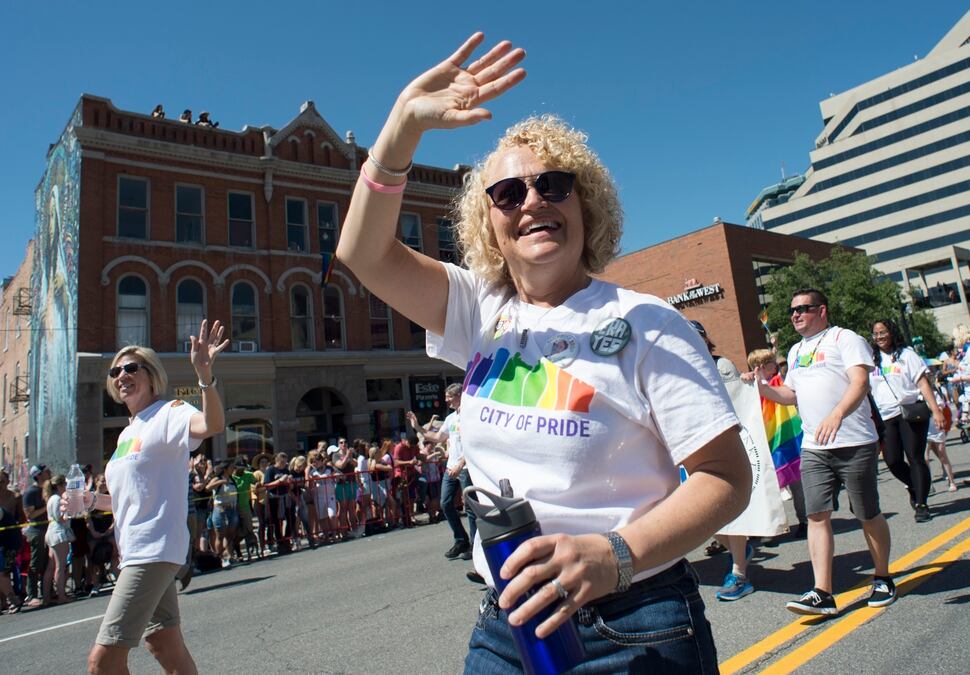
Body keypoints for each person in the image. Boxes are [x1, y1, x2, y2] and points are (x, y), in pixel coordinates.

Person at [335, 34, 751, 672]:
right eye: (508, 194)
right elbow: (364, 255)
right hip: (511, 621)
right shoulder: (479, 308)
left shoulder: (644, 320)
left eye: (553, 185)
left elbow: (726, 478)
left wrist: (616, 554)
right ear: (489, 223)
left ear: (585, 205)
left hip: (636, 616)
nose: (532, 202)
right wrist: (401, 127)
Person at [77, 319, 227, 674]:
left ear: (152, 375)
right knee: (163, 646)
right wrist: (93, 502)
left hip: (154, 549)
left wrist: (204, 375)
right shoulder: (127, 433)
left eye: (131, 367)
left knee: (102, 661)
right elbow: (130, 500)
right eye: (116, 370)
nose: (121, 375)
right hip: (135, 551)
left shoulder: (170, 412)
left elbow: (212, 426)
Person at [756, 289, 895, 616]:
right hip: (814, 447)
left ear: (822, 310)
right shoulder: (794, 351)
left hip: (855, 442)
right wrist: (761, 387)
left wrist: (837, 414)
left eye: (803, 309)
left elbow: (859, 383)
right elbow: (791, 394)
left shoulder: (845, 339)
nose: (795, 315)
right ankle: (822, 592)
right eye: (792, 311)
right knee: (816, 516)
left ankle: (883, 577)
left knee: (867, 512)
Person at [868, 319, 947, 522]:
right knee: (892, 460)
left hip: (910, 412)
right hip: (886, 416)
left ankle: (921, 504)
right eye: (876, 334)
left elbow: (922, 383)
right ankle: (915, 485)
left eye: (883, 332)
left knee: (915, 457)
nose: (879, 337)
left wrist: (936, 411)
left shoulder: (907, 355)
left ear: (892, 333)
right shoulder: (872, 359)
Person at [43, 474, 75, 605]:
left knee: (51, 566)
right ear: (60, 485)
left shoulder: (51, 498)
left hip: (51, 532)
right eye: (65, 485)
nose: (66, 487)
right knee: (60, 566)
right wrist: (71, 513)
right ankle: (61, 595)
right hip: (58, 533)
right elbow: (60, 518)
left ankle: (46, 597)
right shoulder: (57, 499)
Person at [22, 464, 51, 607]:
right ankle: (31, 595)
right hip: (37, 531)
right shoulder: (30, 492)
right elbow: (30, 514)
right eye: (46, 472)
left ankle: (48, 593)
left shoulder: (48, 489)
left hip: (49, 528)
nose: (49, 473)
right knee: (36, 562)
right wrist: (48, 506)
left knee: (48, 562)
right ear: (39, 475)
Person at [0, 468, 26, 612]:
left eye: (2, 481)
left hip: (10, 541)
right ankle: (4, 602)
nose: (0, 485)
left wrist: (22, 532)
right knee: (2, 573)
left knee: (3, 573)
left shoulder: (14, 497)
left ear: (7, 482)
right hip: (2, 541)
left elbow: (21, 516)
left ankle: (13, 599)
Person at [206, 460, 239, 567]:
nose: (233, 470)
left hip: (232, 508)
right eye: (231, 468)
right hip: (220, 509)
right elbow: (208, 488)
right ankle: (221, 557)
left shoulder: (232, 480)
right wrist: (221, 482)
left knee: (230, 534)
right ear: (225, 469)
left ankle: (230, 555)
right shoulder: (217, 478)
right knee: (220, 534)